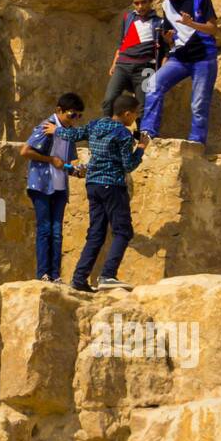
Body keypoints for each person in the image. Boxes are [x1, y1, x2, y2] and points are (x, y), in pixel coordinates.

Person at [44, 94, 150, 292]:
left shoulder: (96, 124)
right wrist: (141, 148)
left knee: (96, 233)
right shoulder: (123, 135)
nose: (135, 118)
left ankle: (79, 279)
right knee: (123, 231)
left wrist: (56, 130)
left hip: (92, 184)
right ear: (127, 114)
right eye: (135, 114)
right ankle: (108, 275)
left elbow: (75, 134)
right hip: (112, 185)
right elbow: (129, 165)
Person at [139, 0, 219, 145]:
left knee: (199, 104)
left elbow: (213, 29)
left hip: (203, 57)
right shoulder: (167, 4)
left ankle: (195, 143)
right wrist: (169, 39)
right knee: (152, 85)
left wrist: (193, 24)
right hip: (180, 57)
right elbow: (174, 35)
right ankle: (147, 134)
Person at [22, 93, 85, 283]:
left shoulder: (66, 131)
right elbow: (25, 151)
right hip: (41, 185)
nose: (75, 120)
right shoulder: (45, 127)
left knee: (57, 232)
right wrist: (50, 159)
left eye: (78, 116)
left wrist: (76, 170)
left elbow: (67, 161)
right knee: (45, 229)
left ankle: (55, 275)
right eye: (72, 115)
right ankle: (43, 273)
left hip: (59, 187)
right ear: (59, 110)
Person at [102, 0, 166, 118]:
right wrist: (114, 63)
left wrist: (160, 71)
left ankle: (141, 137)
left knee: (143, 105)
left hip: (145, 68)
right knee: (109, 100)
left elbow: (163, 50)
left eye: (144, 2)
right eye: (136, 3)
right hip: (122, 66)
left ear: (151, 0)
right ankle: (104, 134)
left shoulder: (158, 23)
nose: (140, 6)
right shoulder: (128, 18)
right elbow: (122, 43)